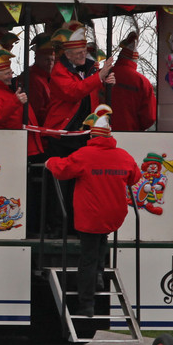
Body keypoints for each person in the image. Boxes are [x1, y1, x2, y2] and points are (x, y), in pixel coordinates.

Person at [44, 105, 140, 317]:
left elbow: (63, 169)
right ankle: (98, 275)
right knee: (101, 243)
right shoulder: (123, 156)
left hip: (90, 215)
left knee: (86, 257)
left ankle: (87, 303)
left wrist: (49, 161)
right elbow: (135, 176)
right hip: (113, 214)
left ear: (91, 135)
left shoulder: (85, 155)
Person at [40, 22, 113, 158]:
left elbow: (95, 92)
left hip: (85, 132)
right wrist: (99, 77)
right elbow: (73, 92)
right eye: (79, 53)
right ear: (68, 55)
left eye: (85, 52)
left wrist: (106, 82)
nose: (83, 55)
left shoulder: (91, 68)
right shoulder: (58, 71)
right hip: (63, 134)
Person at [109, 31, 157, 132]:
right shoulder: (143, 82)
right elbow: (150, 117)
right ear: (135, 60)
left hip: (101, 132)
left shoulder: (103, 74)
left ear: (120, 57)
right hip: (131, 134)